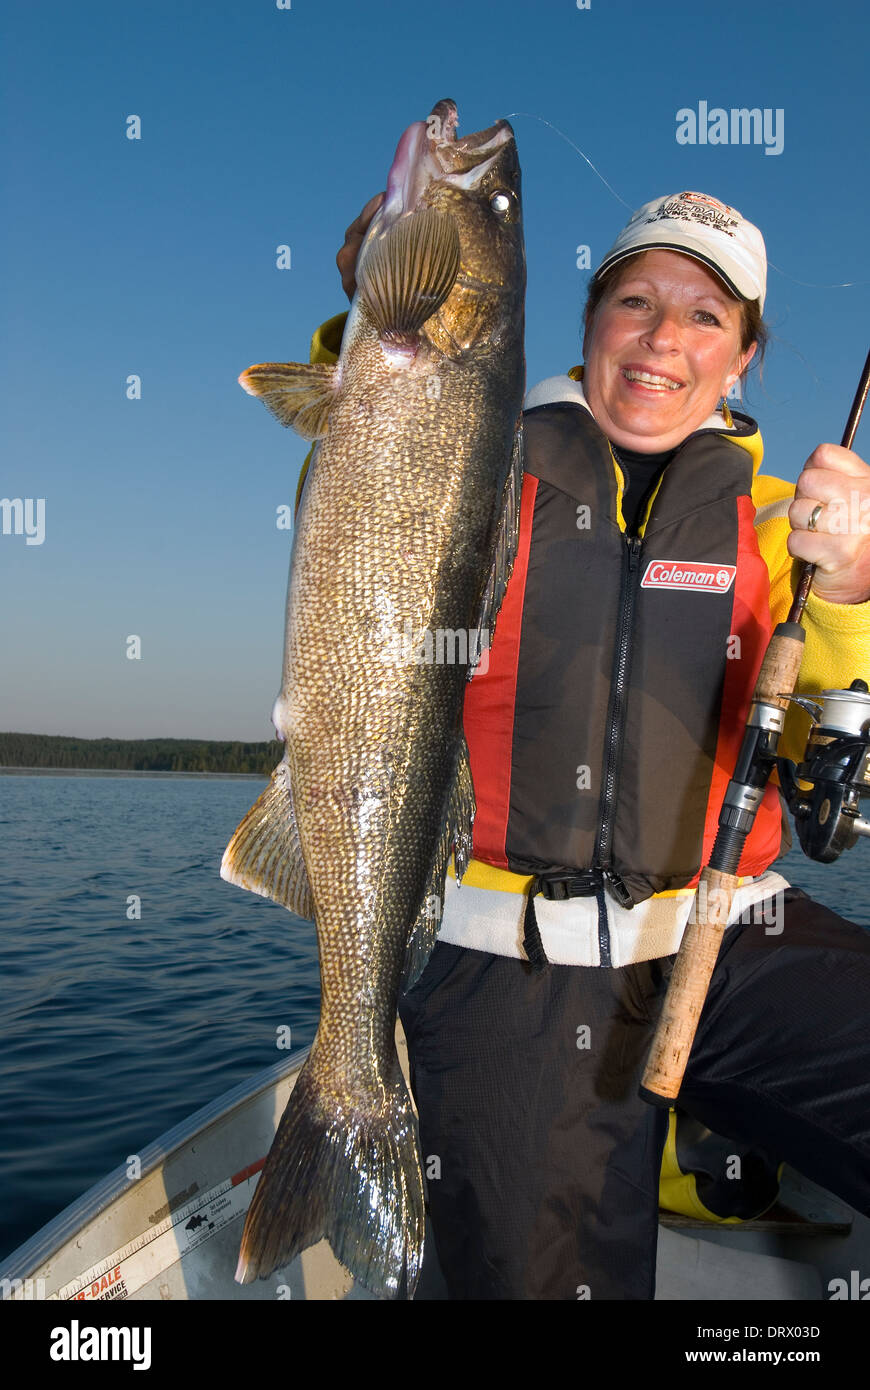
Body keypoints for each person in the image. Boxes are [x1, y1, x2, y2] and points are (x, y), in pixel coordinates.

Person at [315, 189, 870, 1299]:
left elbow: (840, 682)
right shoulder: (473, 481)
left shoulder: (777, 522)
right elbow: (378, 459)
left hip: (733, 941)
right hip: (514, 965)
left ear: (744, 358)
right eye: (635, 300)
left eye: (707, 315)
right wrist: (376, 318)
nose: (666, 336)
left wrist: (851, 583)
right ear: (585, 326)